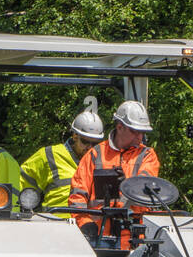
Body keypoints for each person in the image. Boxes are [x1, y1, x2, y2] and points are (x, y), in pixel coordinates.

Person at [68, 100, 159, 248]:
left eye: (143, 132)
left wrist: (126, 183)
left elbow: (143, 188)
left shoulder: (147, 155)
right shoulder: (95, 154)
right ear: (120, 127)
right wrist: (85, 223)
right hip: (98, 237)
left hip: (134, 238)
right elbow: (77, 196)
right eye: (135, 131)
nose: (140, 137)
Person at [19, 109, 104, 210]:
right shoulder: (49, 155)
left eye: (95, 144)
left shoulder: (103, 162)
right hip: (55, 223)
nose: (90, 147)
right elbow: (21, 181)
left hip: (89, 224)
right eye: (85, 141)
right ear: (75, 136)